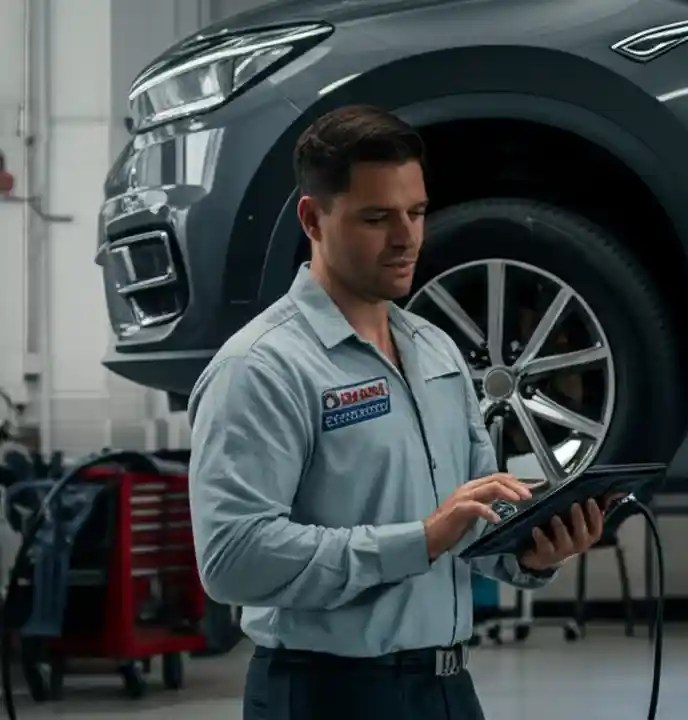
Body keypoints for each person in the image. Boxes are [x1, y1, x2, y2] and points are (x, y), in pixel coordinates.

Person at [186, 104, 609, 719]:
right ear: (314, 218)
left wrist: (526, 552)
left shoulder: (434, 349)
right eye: (377, 217)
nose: (407, 238)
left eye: (415, 213)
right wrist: (418, 541)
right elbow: (232, 560)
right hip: (325, 695)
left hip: (446, 688)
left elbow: (467, 528)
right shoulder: (262, 367)